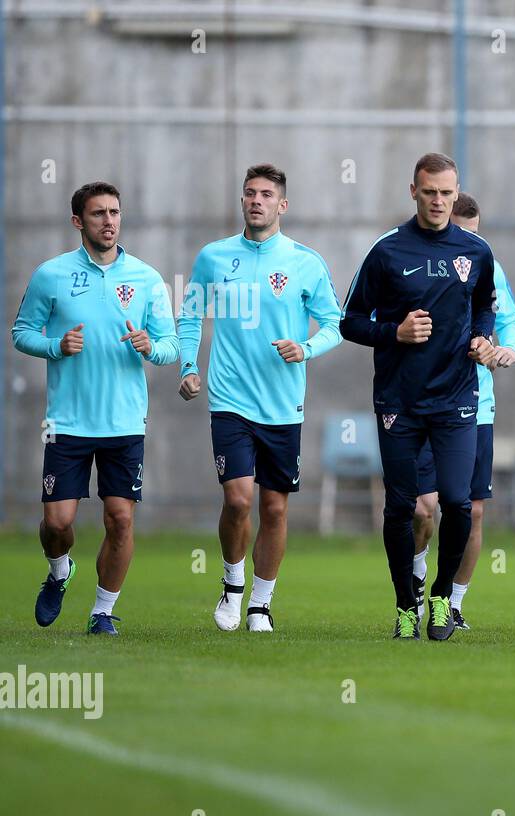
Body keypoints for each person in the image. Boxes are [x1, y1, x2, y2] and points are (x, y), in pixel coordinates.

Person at [178, 163, 343, 632]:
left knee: (274, 507)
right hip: (229, 399)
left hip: (282, 404)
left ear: (282, 205)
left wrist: (305, 348)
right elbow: (191, 317)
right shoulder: (213, 257)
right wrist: (189, 366)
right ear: (242, 200)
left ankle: (260, 604)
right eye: (250, 193)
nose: (256, 200)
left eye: (266, 194)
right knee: (238, 500)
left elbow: (336, 324)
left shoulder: (304, 262)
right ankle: (233, 586)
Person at [341, 152, 497, 640]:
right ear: (414, 191)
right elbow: (349, 321)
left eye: (446, 193)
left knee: (458, 503)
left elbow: (484, 308)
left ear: (456, 193)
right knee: (402, 507)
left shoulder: (475, 251)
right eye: (429, 192)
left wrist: (481, 339)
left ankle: (442, 596)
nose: (437, 201)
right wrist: (395, 332)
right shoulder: (388, 251)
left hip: (456, 399)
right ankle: (405, 602)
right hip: (399, 402)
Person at [13, 181, 179, 635]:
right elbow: (21, 332)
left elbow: (170, 345)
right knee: (57, 522)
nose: (109, 221)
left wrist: (152, 347)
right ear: (78, 221)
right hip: (66, 421)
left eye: (114, 212)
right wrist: (55, 345)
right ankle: (59, 570)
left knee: (120, 518)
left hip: (125, 421)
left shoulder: (146, 278)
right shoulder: (51, 274)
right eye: (98, 213)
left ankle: (103, 611)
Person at [409, 192, 515, 630]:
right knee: (422, 509)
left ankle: (452, 602)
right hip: (422, 404)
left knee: (471, 510)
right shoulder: (414, 264)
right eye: (463, 235)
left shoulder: (486, 263)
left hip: (476, 408)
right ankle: (416, 586)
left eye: (476, 237)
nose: (470, 249)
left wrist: (503, 350)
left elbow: (510, 323)